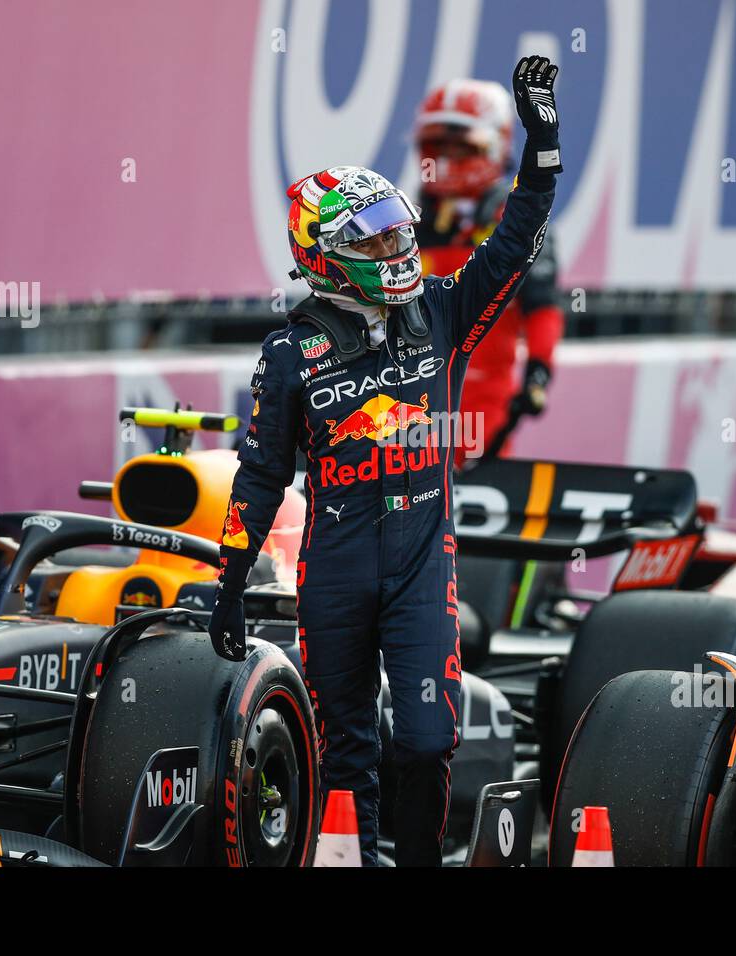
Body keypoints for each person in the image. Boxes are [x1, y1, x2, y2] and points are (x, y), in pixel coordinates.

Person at [206, 56, 562, 866]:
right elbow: (260, 478)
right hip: (331, 574)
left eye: (397, 228)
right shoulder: (288, 356)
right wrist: (230, 585)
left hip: (420, 566)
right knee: (346, 760)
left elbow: (518, 234)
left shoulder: (442, 312)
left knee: (430, 740)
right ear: (326, 255)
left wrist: (542, 143)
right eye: (374, 237)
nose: (398, 244)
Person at [413, 78, 564, 467]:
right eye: (439, 144)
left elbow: (543, 305)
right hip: (407, 393)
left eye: (462, 145)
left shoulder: (516, 218)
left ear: (495, 143)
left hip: (483, 400)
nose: (448, 158)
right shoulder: (402, 215)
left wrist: (538, 373)